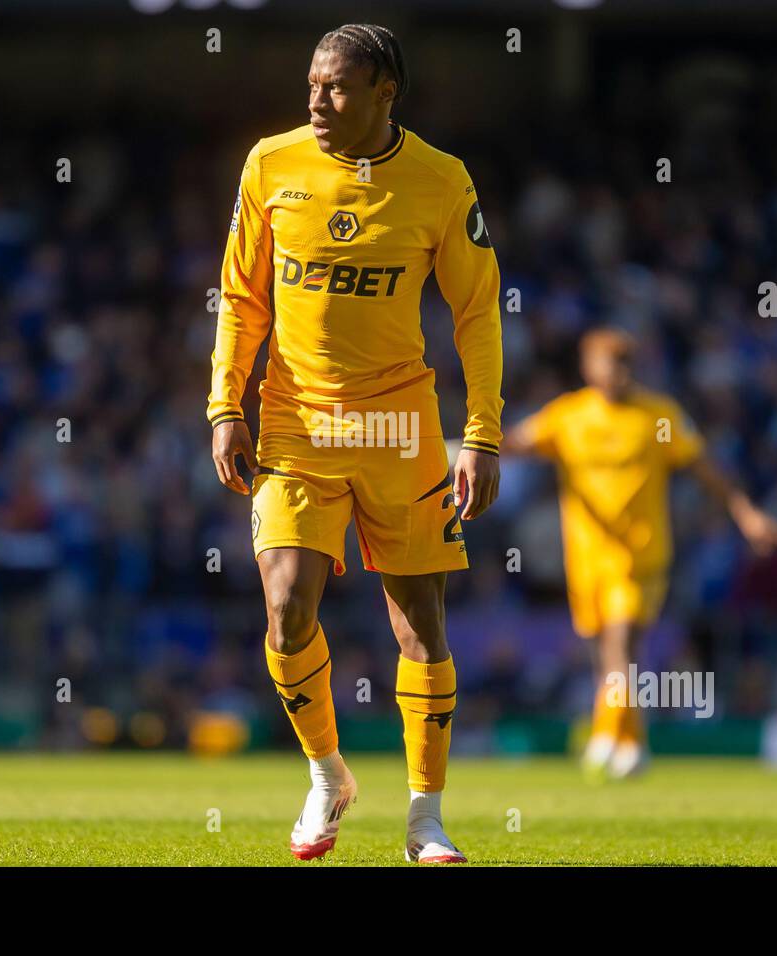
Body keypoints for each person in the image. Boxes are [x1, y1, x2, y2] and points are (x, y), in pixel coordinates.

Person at [208, 24, 503, 862]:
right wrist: (224, 406)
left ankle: (425, 816)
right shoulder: (271, 164)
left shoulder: (442, 181)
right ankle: (328, 774)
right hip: (296, 423)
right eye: (311, 85)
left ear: (385, 93)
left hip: (400, 428)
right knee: (285, 607)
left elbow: (477, 311)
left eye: (336, 87)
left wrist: (480, 433)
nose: (316, 101)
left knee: (419, 628)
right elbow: (241, 297)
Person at [501, 328, 777, 780]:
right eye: (607, 362)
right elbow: (517, 442)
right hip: (585, 557)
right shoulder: (569, 416)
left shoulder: (658, 416)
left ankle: (613, 742)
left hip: (640, 555)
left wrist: (746, 513)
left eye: (624, 363)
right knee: (602, 648)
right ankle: (624, 738)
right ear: (588, 367)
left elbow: (705, 468)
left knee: (622, 643)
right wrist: (467, 447)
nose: (616, 372)